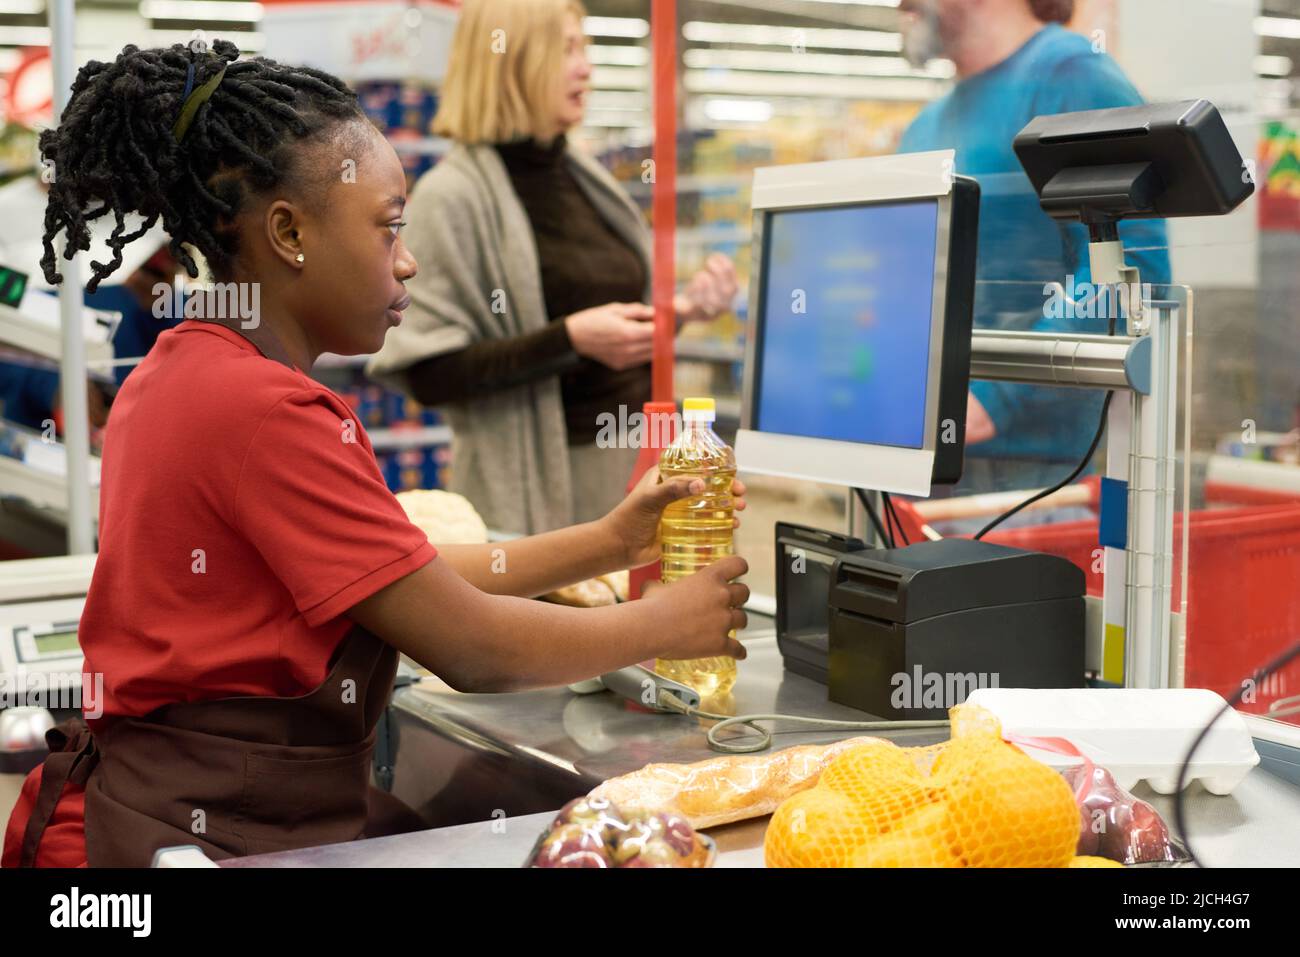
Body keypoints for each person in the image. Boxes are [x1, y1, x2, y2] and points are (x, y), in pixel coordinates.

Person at [3, 40, 748, 868]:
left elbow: (406, 575)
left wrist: (610, 541)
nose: (409, 260)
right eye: (389, 227)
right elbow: (474, 649)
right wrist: (660, 623)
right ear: (288, 232)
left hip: (153, 815)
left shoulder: (177, 371)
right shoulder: (268, 410)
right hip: (209, 835)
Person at [367, 0, 738, 534]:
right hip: (537, 490)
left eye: (584, 47)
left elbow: (604, 315)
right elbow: (429, 372)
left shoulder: (585, 177)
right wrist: (570, 340)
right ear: (511, 62)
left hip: (632, 461)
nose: (586, 65)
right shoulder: (454, 197)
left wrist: (680, 311)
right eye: (566, 49)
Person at [897, 0, 1172, 495]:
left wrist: (995, 398)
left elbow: (1128, 264)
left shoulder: (1069, 76)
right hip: (921, 456)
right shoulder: (925, 125)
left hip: (1030, 476)